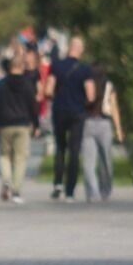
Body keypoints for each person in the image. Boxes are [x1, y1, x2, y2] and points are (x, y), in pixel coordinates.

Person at [43, 35, 93, 201]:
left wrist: (57, 96)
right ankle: (70, 190)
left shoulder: (56, 65)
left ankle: (58, 184)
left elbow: (48, 90)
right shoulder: (85, 69)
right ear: (81, 50)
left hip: (60, 111)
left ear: (69, 47)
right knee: (74, 150)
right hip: (77, 113)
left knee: (60, 147)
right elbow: (91, 95)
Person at [0, 53, 37, 203]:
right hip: (22, 124)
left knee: (4, 156)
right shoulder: (27, 84)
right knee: (20, 158)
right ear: (22, 66)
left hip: (5, 124)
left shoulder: (1, 84)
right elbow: (32, 105)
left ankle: (6, 180)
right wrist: (36, 123)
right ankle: (16, 190)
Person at [79, 66, 124, 202]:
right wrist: (118, 129)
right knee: (105, 160)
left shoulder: (85, 83)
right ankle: (104, 190)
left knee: (89, 162)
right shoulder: (109, 85)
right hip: (104, 123)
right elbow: (114, 106)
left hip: (88, 122)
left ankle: (93, 192)